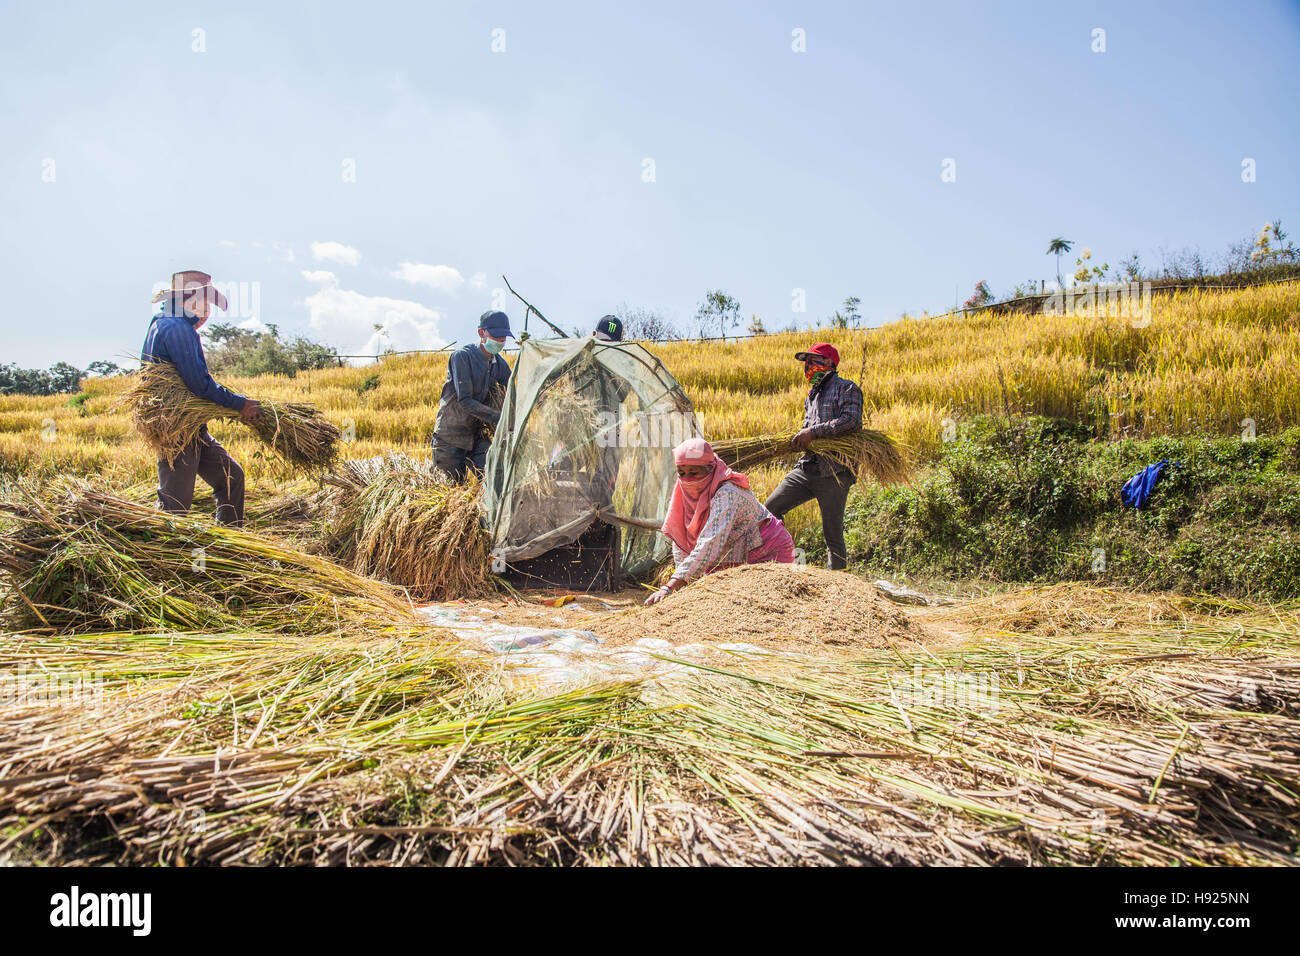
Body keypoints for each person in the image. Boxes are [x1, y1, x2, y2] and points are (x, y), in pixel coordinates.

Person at [141, 270, 261, 526]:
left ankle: (230, 539)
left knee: (231, 477)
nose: (207, 309)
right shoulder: (177, 329)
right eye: (204, 302)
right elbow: (200, 385)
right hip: (177, 428)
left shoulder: (162, 322)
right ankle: (162, 555)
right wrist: (241, 404)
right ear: (188, 300)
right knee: (175, 505)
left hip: (190, 425)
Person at [645, 438, 794, 605]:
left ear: (710, 469)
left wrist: (672, 585)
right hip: (732, 557)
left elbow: (711, 543)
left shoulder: (728, 493)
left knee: (761, 609)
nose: (687, 479)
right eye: (682, 473)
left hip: (768, 554)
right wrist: (682, 584)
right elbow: (680, 537)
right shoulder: (682, 492)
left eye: (694, 473)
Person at [763, 342, 864, 571]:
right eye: (806, 362)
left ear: (829, 363)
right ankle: (783, 562)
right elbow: (808, 427)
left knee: (832, 533)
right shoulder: (811, 396)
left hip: (834, 471)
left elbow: (852, 421)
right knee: (770, 509)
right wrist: (800, 440)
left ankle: (839, 583)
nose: (808, 366)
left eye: (813, 360)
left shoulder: (847, 388)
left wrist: (813, 432)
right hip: (807, 468)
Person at [432, 310, 513, 480]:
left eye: (503, 337)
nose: (500, 341)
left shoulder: (500, 365)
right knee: (452, 487)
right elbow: (465, 400)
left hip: (475, 435)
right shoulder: (462, 357)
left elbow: (513, 392)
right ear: (481, 333)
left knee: (494, 475)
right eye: (496, 336)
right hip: (450, 436)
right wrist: (498, 417)